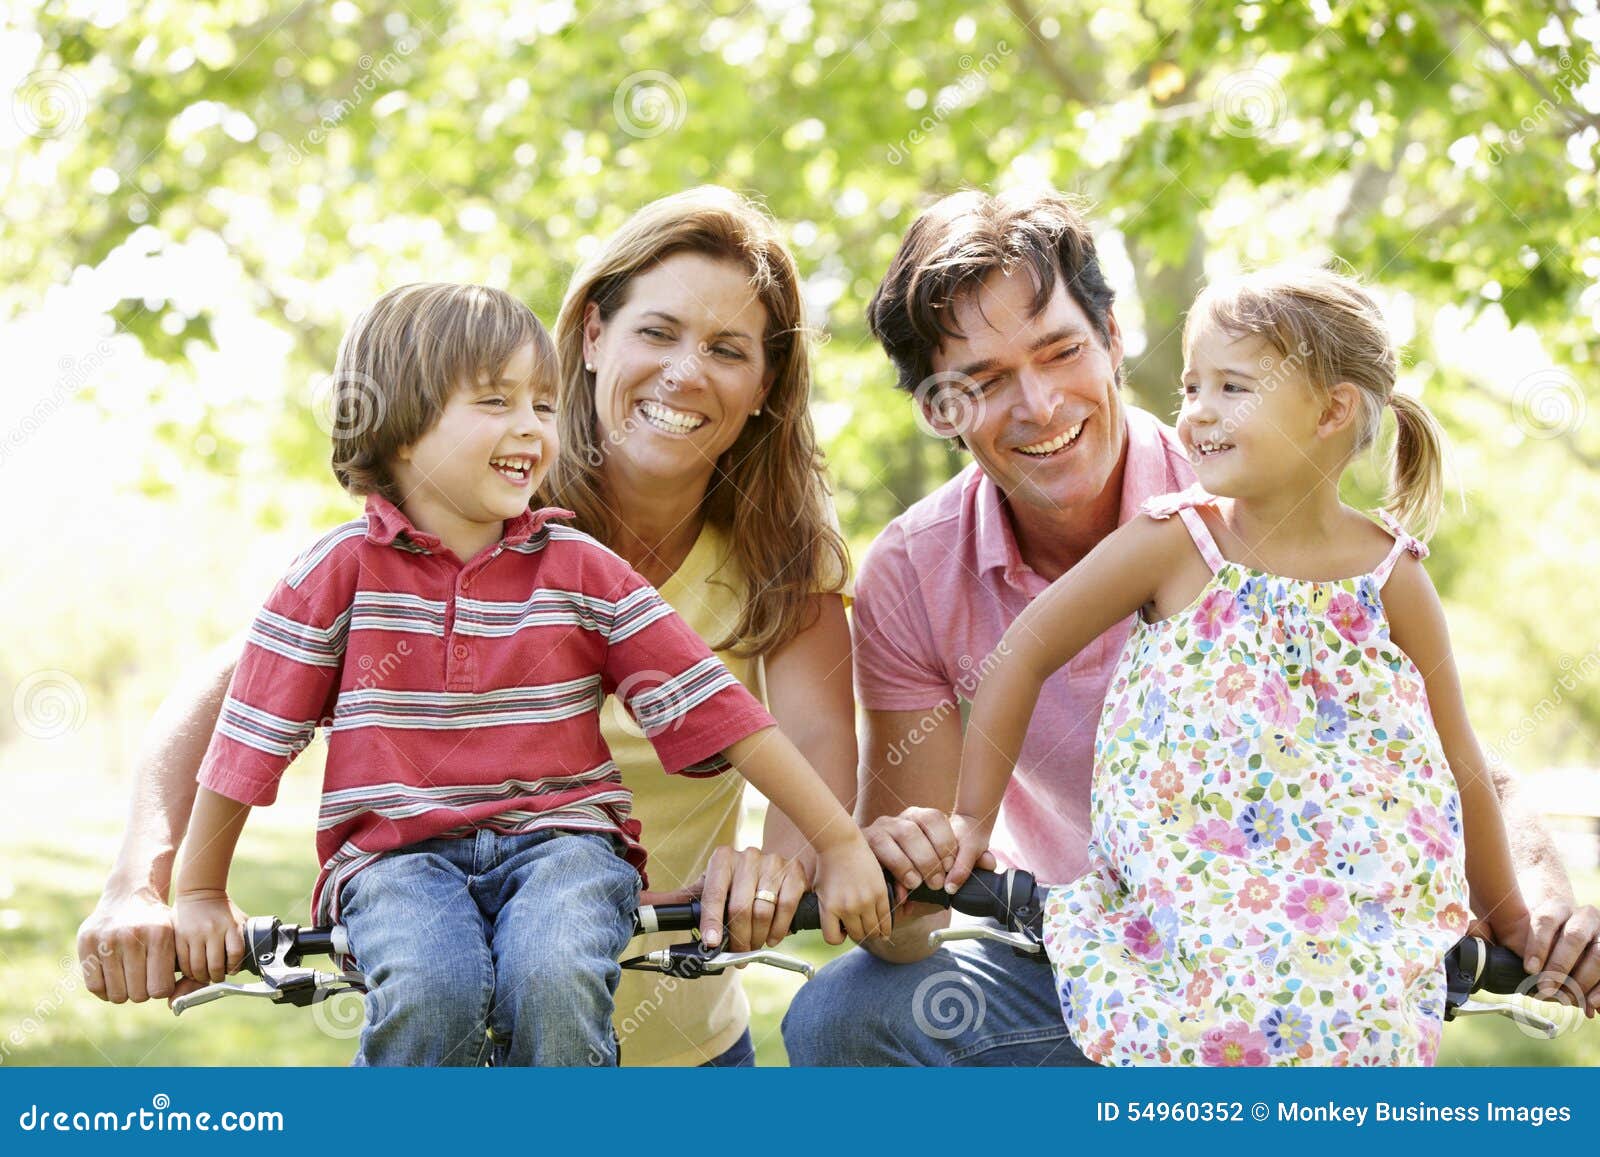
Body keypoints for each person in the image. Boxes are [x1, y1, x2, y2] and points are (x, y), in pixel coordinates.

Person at [783, 187, 1599, 1067]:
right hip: (1089, 958)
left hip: (1312, 965)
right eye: (981, 383)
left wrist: (1533, 907)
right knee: (845, 1013)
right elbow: (915, 925)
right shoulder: (917, 569)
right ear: (940, 409)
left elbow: (1455, 761)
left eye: (1061, 352)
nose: (1040, 406)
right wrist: (916, 853)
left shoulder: (1266, 491)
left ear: (1113, 340)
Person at [80, 188, 868, 1066]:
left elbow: (810, 753)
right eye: (658, 331)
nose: (686, 371)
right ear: (595, 338)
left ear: (766, 385)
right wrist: (149, 884)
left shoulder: (778, 562)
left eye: (728, 349)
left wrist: (790, 858)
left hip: (683, 1043)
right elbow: (235, 697)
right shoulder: (478, 507)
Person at [945, 265, 1521, 1065]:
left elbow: (1459, 758)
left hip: (1347, 934)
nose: (1198, 414)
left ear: (1331, 410)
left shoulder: (1393, 576)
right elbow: (1023, 652)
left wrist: (1513, 918)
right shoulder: (1178, 543)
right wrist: (971, 820)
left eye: (1233, 387)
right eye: (1192, 387)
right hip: (1183, 914)